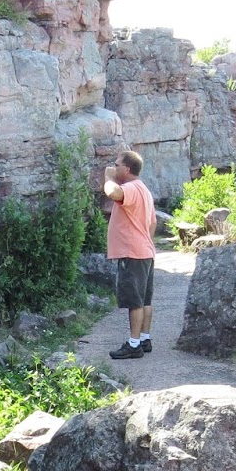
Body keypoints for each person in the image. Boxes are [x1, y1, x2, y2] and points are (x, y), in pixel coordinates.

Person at [103, 151, 155, 359]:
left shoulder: (131, 188)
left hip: (132, 253)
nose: (114, 168)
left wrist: (107, 177)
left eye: (116, 165)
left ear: (127, 168)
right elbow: (153, 223)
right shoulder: (145, 190)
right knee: (145, 299)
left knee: (134, 301)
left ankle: (133, 344)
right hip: (145, 251)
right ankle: (144, 338)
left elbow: (113, 193)